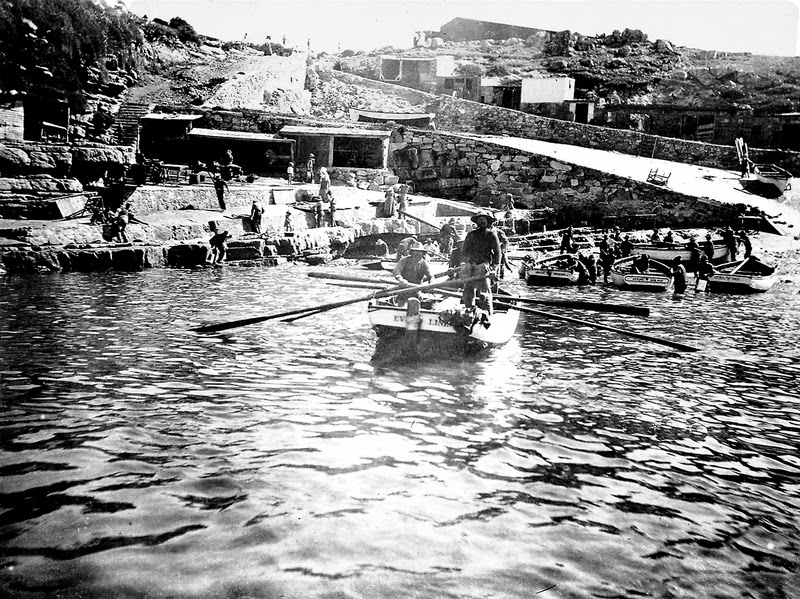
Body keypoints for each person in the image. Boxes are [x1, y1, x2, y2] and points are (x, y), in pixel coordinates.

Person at [461, 210, 502, 314]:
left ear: (488, 222)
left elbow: (497, 254)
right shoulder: (471, 235)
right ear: (477, 222)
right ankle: (468, 310)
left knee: (484, 291)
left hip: (484, 265)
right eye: (480, 219)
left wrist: (494, 268)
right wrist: (466, 263)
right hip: (471, 264)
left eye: (484, 219)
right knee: (468, 288)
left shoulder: (491, 235)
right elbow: (464, 252)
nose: (482, 221)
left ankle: (487, 312)